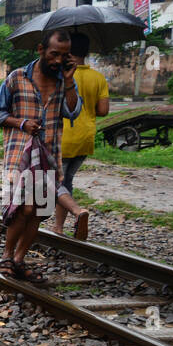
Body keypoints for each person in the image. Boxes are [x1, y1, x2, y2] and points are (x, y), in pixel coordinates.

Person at [0, 29, 83, 284]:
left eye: (64, 56)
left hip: (50, 154)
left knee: (39, 211)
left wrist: (70, 81)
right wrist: (21, 123)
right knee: (23, 208)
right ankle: (7, 257)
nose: (58, 60)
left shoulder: (64, 81)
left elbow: (72, 112)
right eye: (53, 54)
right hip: (20, 154)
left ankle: (19, 259)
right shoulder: (17, 78)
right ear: (41, 50)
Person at [57, 32, 108, 240]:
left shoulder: (62, 74)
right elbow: (103, 110)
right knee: (66, 181)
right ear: (87, 51)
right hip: (85, 137)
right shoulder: (98, 77)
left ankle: (76, 211)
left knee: (51, 182)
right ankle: (58, 227)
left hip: (62, 136)